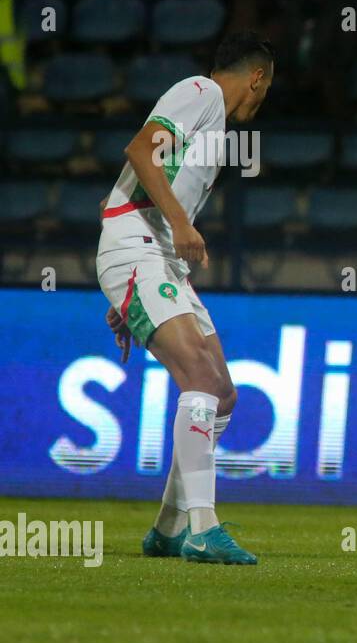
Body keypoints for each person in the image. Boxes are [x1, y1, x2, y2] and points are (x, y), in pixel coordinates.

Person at [98, 31, 275, 566]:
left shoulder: (216, 125)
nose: (263, 100)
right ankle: (204, 528)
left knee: (221, 395)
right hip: (142, 243)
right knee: (198, 378)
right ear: (257, 78)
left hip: (155, 259)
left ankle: (170, 527)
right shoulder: (199, 91)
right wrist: (179, 224)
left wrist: (126, 298)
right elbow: (140, 149)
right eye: (266, 89)